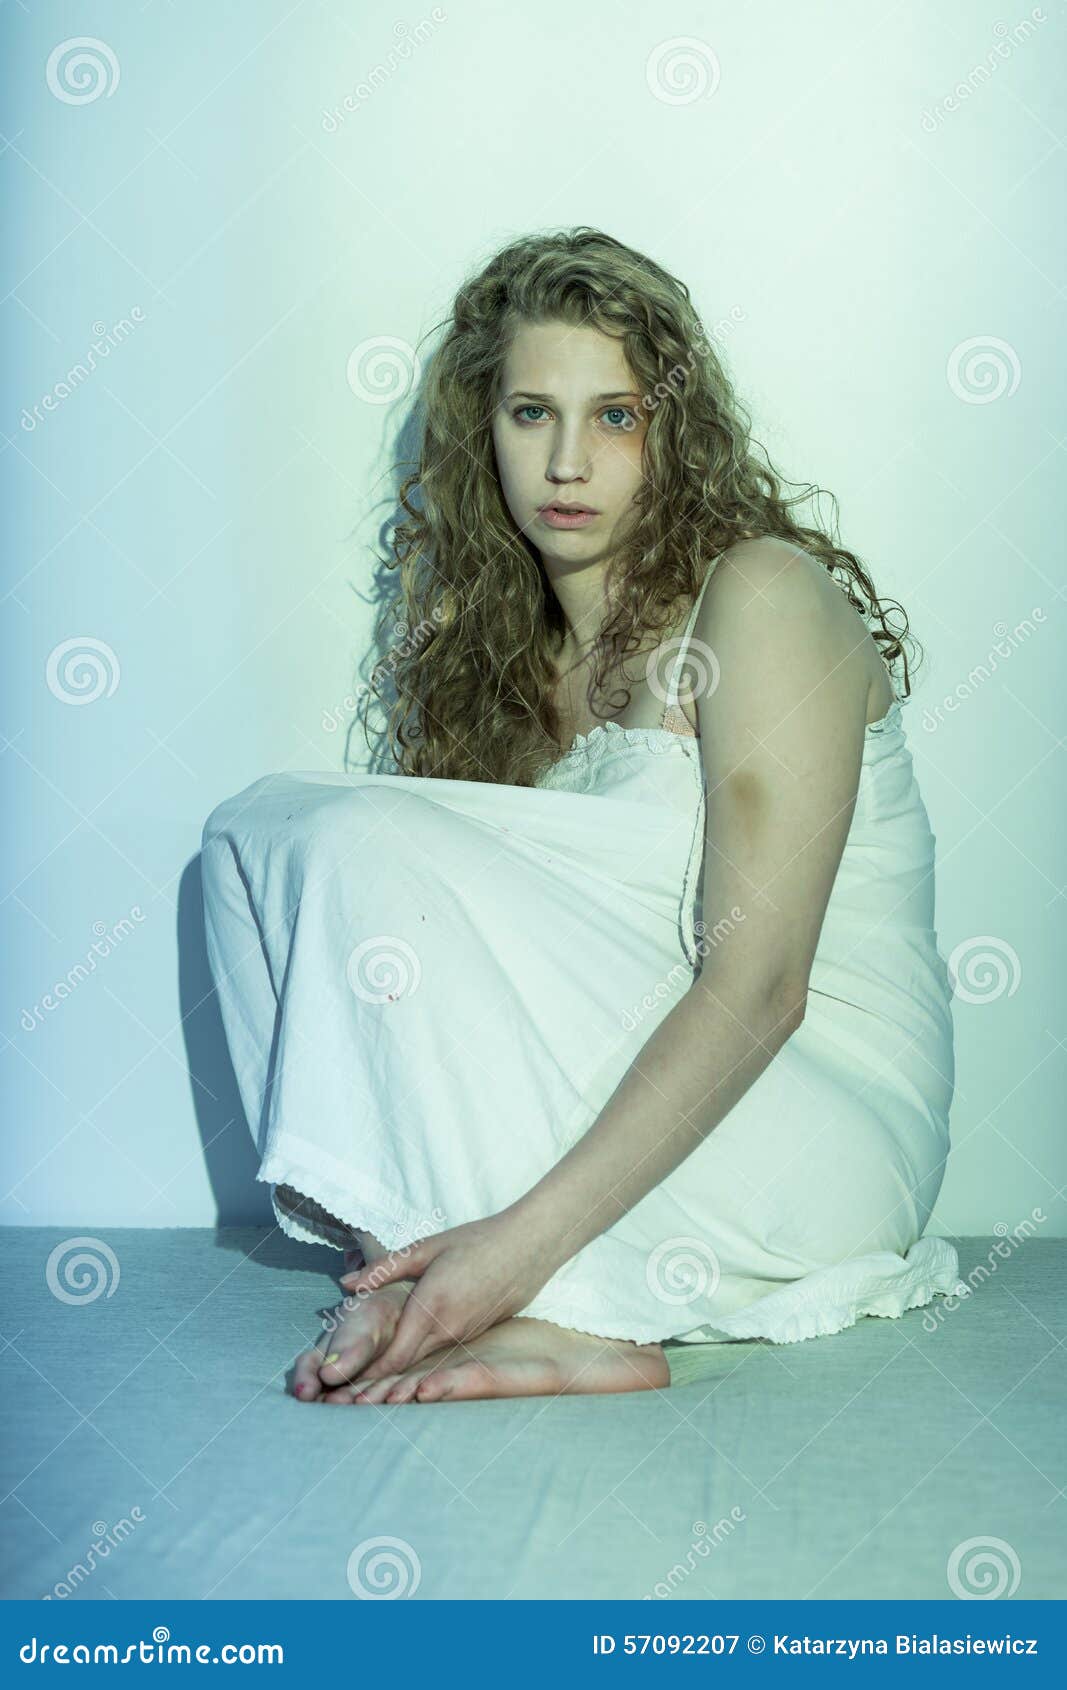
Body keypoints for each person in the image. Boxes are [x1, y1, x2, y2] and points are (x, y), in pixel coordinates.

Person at [200, 227, 962, 1408]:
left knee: (339, 829)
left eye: (613, 415)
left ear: (673, 429)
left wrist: (511, 1250)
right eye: (528, 415)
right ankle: (450, 1269)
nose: (566, 460)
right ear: (482, 436)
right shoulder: (502, 686)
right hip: (629, 1125)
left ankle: (533, 1292)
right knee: (255, 835)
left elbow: (759, 985)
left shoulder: (754, 598)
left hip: (806, 1130)